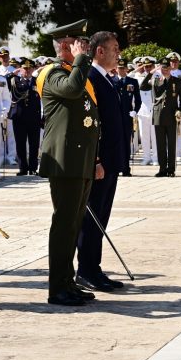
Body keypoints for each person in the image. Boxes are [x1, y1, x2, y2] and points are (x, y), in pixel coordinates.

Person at [36, 19, 101, 307]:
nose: (84, 49)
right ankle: (56, 288)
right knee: (63, 225)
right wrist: (80, 61)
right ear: (64, 46)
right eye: (79, 44)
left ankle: (68, 282)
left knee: (73, 225)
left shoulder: (72, 71)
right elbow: (73, 90)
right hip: (64, 161)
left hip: (79, 160)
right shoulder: (53, 74)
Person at [76, 32, 128, 292]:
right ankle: (85, 270)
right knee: (91, 217)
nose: (119, 53)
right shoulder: (90, 78)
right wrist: (95, 159)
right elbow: (90, 125)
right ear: (100, 52)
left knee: (101, 217)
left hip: (111, 161)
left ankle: (93, 268)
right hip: (99, 163)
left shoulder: (107, 79)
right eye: (115, 48)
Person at [145, 59, 181, 177]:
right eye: (163, 68)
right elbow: (143, 86)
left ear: (170, 68)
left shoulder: (177, 81)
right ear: (160, 68)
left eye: (167, 68)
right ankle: (162, 169)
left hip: (172, 115)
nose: (165, 70)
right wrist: (152, 72)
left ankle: (171, 169)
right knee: (160, 144)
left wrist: (180, 110)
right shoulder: (156, 80)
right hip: (158, 115)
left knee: (172, 144)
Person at [8, 58, 41, 176]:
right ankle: (23, 168)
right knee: (20, 143)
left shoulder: (38, 81)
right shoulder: (14, 80)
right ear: (21, 69)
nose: (27, 71)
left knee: (34, 144)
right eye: (25, 68)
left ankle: (33, 168)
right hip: (19, 117)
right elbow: (4, 81)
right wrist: (13, 73)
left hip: (34, 117)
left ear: (33, 69)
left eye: (29, 68)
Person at [114, 59, 141, 177]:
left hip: (127, 115)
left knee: (126, 142)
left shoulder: (133, 82)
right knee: (115, 142)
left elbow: (138, 100)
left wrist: (135, 111)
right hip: (115, 117)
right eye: (119, 68)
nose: (121, 70)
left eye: (123, 68)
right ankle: (115, 167)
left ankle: (126, 168)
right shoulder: (113, 81)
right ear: (116, 69)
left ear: (126, 69)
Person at [133, 57, 158, 167]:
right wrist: (137, 69)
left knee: (155, 136)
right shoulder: (138, 77)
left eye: (149, 66)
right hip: (142, 111)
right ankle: (146, 157)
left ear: (153, 66)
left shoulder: (158, 76)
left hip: (155, 110)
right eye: (145, 66)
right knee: (144, 136)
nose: (147, 68)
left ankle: (156, 158)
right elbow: (128, 76)